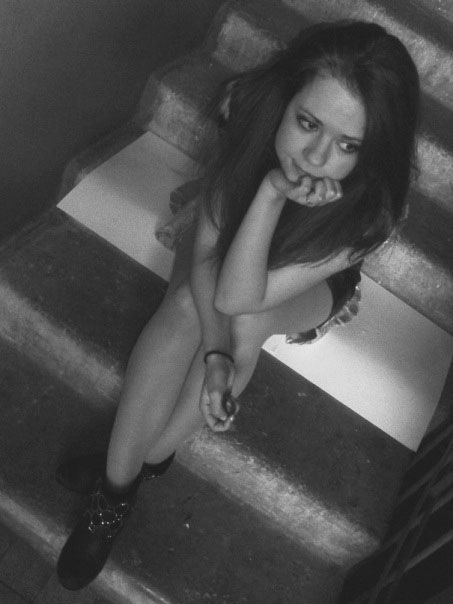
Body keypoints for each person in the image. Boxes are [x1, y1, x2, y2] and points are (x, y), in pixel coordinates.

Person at [56, 20, 420, 590]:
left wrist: (272, 195)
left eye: (349, 145)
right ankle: (117, 493)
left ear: (371, 152)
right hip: (232, 241)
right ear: (285, 101)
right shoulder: (250, 113)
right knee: (184, 306)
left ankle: (134, 466)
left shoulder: (370, 210)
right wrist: (213, 356)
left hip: (305, 274)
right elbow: (210, 262)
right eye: (308, 123)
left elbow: (237, 298)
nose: (318, 157)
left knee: (245, 322)